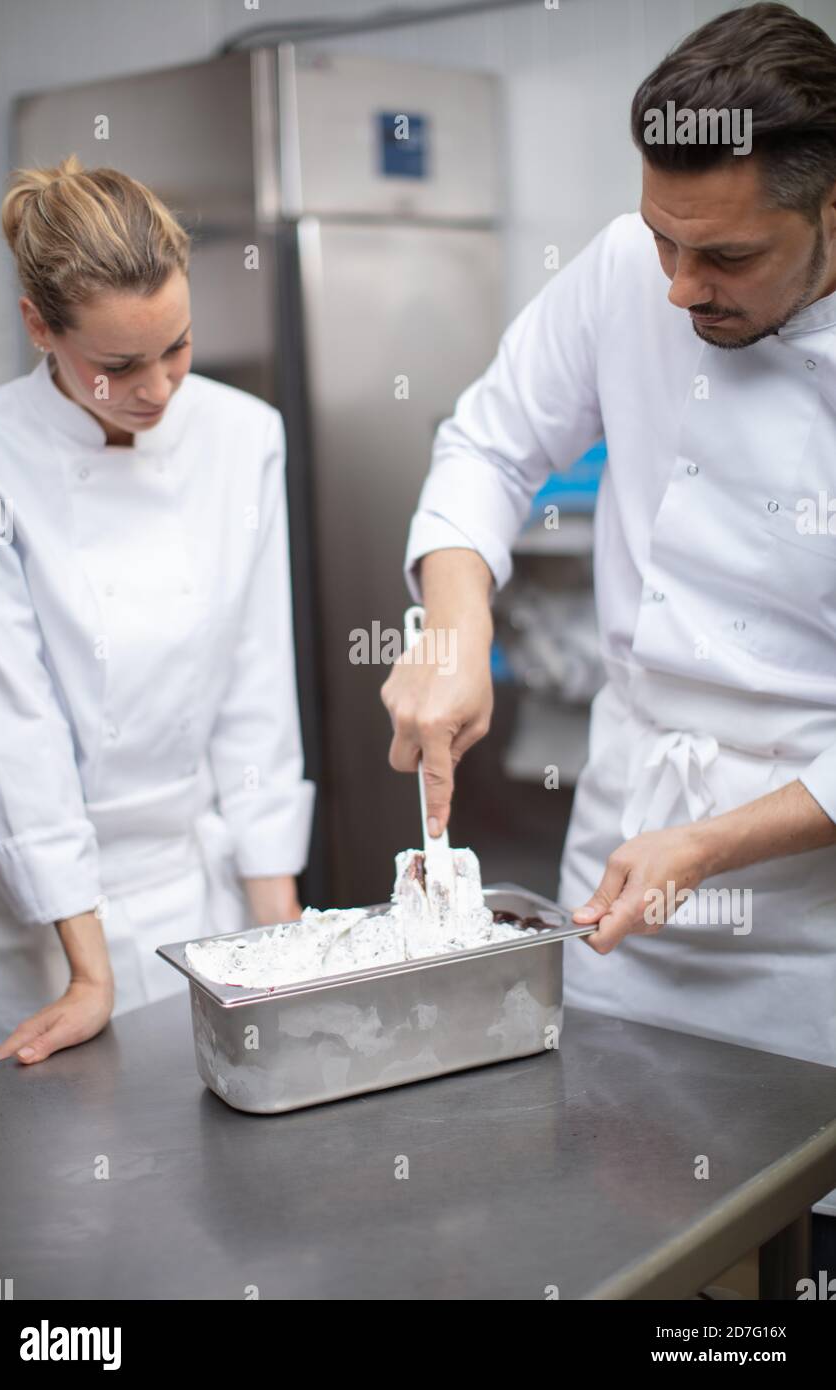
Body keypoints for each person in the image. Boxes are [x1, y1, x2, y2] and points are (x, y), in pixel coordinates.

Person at [381, 2, 836, 1271]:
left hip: (812, 932)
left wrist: (717, 841)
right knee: (619, 1225)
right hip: (618, 894)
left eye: (726, 259)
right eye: (661, 243)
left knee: (792, 1245)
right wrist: (455, 625)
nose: (680, 287)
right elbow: (484, 447)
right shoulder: (623, 272)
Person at [0, 155, 314, 1068]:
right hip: (36, 921)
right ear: (39, 327)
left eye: (179, 346)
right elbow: (11, 727)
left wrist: (276, 919)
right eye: (118, 365)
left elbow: (254, 681)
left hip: (198, 891)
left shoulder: (243, 436)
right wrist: (88, 974)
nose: (160, 389)